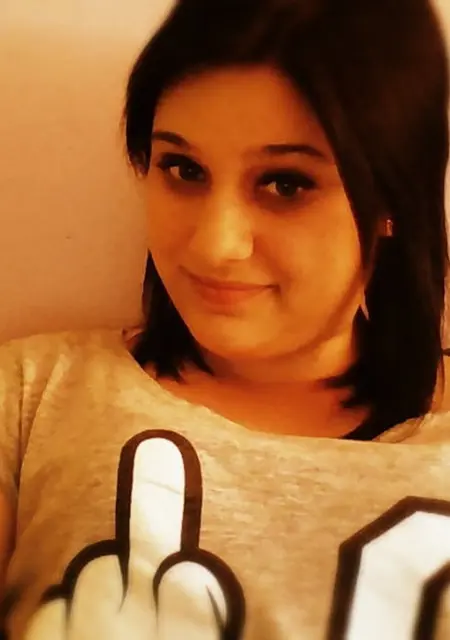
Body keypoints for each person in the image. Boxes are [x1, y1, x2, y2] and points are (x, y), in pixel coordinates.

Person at [0, 0, 449, 637]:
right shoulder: (30, 397)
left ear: (390, 200)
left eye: (286, 184)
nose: (215, 244)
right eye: (183, 169)